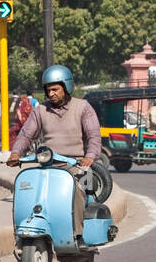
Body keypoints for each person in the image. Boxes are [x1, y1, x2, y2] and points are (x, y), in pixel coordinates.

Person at [6, 65, 102, 238]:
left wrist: (89, 157)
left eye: (55, 89)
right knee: (26, 188)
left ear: (66, 87)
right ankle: (21, 234)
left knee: (80, 188)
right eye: (48, 90)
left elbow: (94, 136)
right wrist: (15, 153)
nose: (51, 94)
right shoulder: (41, 110)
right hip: (48, 164)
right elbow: (27, 134)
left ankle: (78, 235)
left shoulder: (83, 107)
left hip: (78, 165)